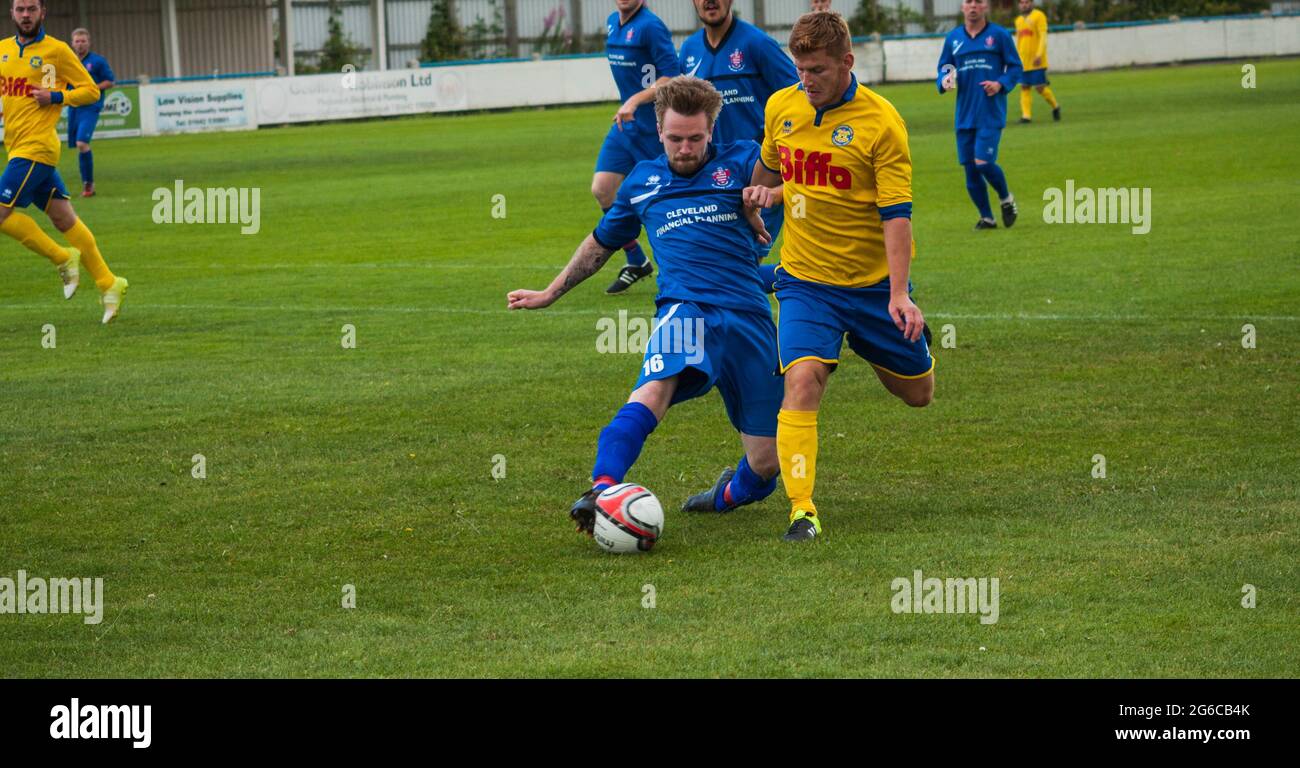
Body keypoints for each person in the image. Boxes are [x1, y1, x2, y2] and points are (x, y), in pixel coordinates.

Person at [508, 76, 784, 533]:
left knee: (767, 463)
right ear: (659, 132)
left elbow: (799, 179)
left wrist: (765, 195)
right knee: (652, 391)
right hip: (685, 311)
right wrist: (550, 292)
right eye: (675, 138)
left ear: (711, 130)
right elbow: (600, 244)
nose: (685, 148)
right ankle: (601, 489)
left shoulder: (743, 161)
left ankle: (724, 497)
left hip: (751, 319)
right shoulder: (642, 182)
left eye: (695, 138)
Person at [748, 11, 933, 542]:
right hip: (806, 282)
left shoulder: (882, 123)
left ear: (847, 63)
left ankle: (878, 342)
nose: (806, 81)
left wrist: (899, 294)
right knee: (802, 380)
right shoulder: (782, 107)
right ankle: (801, 510)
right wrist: (757, 201)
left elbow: (896, 214)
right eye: (800, 69)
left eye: (818, 70)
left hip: (875, 288)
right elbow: (769, 167)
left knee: (917, 394)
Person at [0, 0, 127, 323]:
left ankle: (62, 257)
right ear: (12, 13)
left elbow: (91, 92)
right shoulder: (2, 51)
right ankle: (109, 283)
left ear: (43, 12)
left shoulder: (57, 51)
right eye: (19, 9)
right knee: (63, 218)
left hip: (37, 148)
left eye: (31, 9)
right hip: (15, 147)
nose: (25, 15)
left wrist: (57, 96)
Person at [679, 0, 798, 294]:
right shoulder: (690, 50)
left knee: (728, 272)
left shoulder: (757, 44)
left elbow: (798, 99)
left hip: (761, 178)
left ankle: (810, 281)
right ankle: (810, 279)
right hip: (715, 183)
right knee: (722, 272)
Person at [594, 0, 679, 293]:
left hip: (653, 128)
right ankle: (637, 260)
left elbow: (671, 76)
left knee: (667, 200)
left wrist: (635, 99)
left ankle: (680, 268)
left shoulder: (651, 27)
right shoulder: (611, 23)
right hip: (625, 125)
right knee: (602, 189)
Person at [937, 0, 1022, 230]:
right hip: (964, 114)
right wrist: (944, 80)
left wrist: (1000, 84)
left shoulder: (999, 35)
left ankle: (1006, 199)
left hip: (990, 112)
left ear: (985, 6)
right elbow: (945, 67)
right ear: (963, 7)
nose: (973, 5)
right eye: (968, 2)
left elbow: (1015, 67)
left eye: (978, 1)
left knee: (983, 162)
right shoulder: (953, 38)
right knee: (970, 169)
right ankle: (987, 218)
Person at [66, 27, 113, 196]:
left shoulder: (98, 61)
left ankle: (88, 185)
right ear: (72, 43)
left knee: (82, 143)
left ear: (89, 42)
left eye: (83, 41)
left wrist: (90, 89)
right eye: (77, 41)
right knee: (77, 146)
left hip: (91, 107)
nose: (80, 45)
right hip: (73, 108)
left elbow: (109, 81)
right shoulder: (68, 61)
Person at [1014, 0, 1059, 123]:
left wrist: (1039, 54)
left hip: (1037, 61)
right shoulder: (1018, 21)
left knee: (1040, 88)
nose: (1024, 5)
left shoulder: (1039, 16)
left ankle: (1055, 106)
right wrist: (1016, 57)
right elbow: (1019, 40)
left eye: (1027, 2)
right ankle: (1026, 116)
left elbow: (1043, 36)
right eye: (1022, 3)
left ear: (1032, 4)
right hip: (1024, 61)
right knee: (1024, 87)